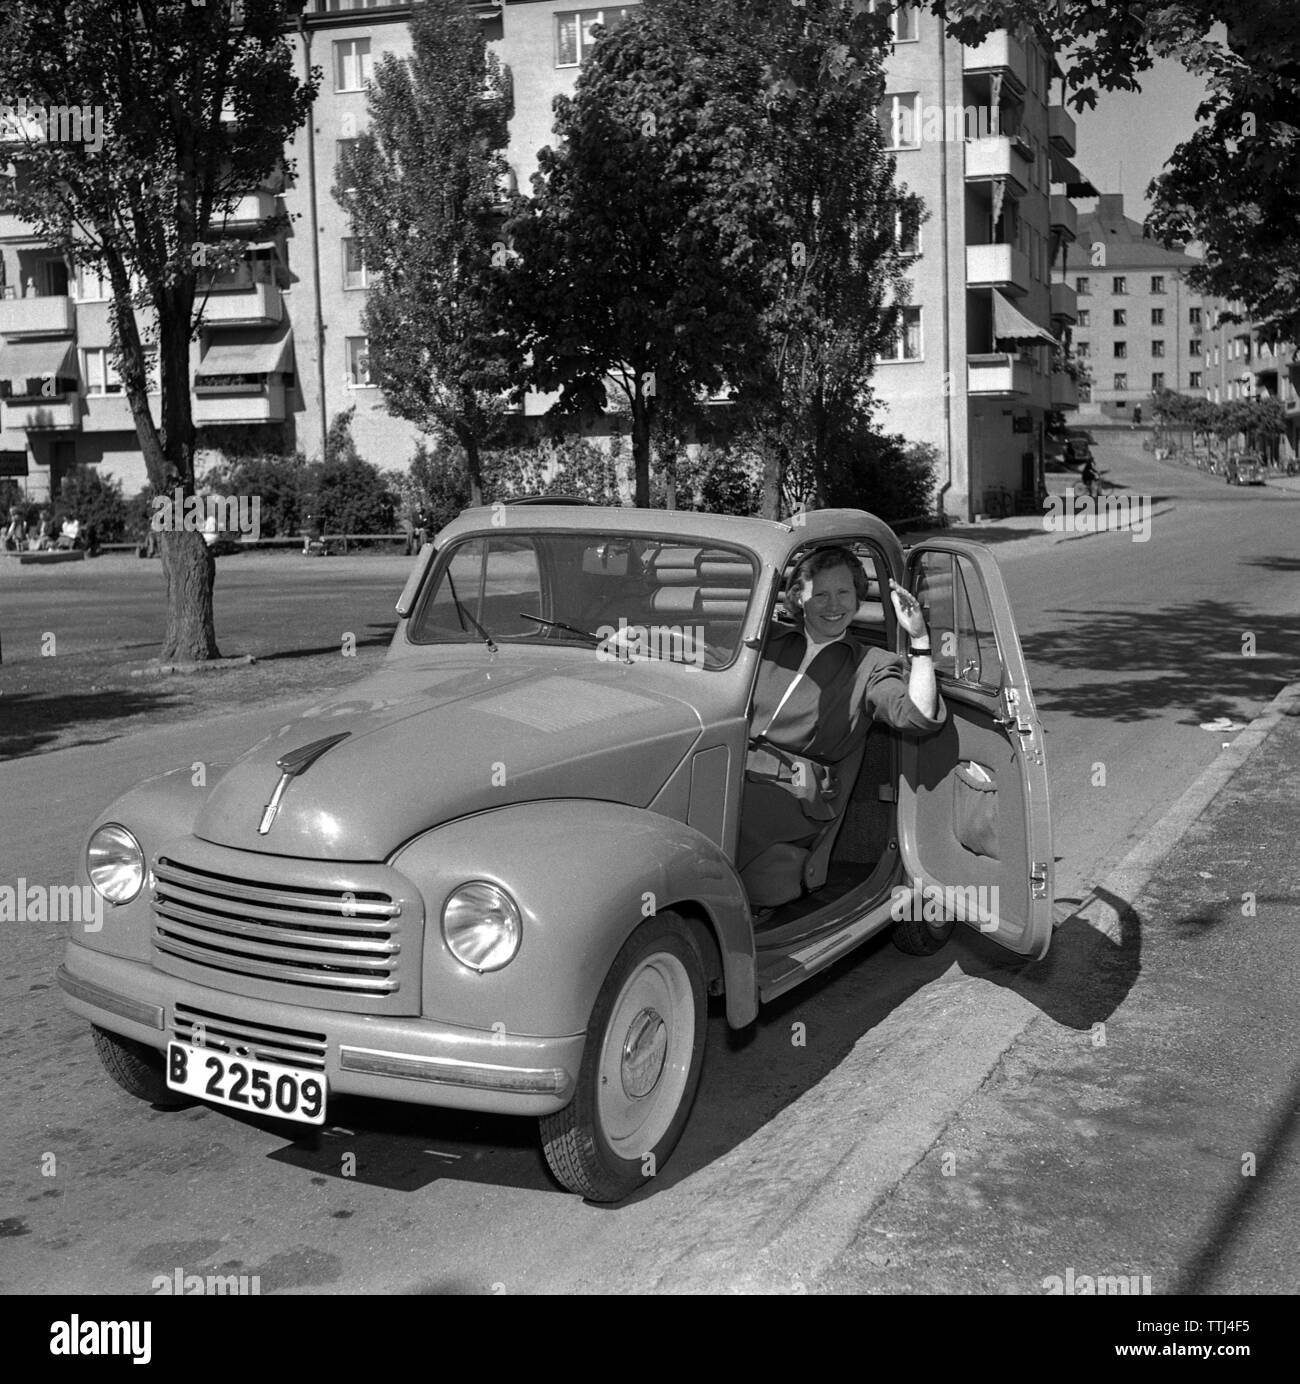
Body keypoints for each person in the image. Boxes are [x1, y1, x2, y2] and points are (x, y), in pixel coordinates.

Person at [739, 545, 947, 909]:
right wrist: (637, 640)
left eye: (843, 593)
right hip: (734, 759)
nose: (833, 605)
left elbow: (916, 715)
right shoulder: (766, 639)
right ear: (798, 597)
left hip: (796, 786)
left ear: (857, 596)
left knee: (728, 810)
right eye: (819, 593)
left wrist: (920, 640)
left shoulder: (872, 664)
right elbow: (702, 650)